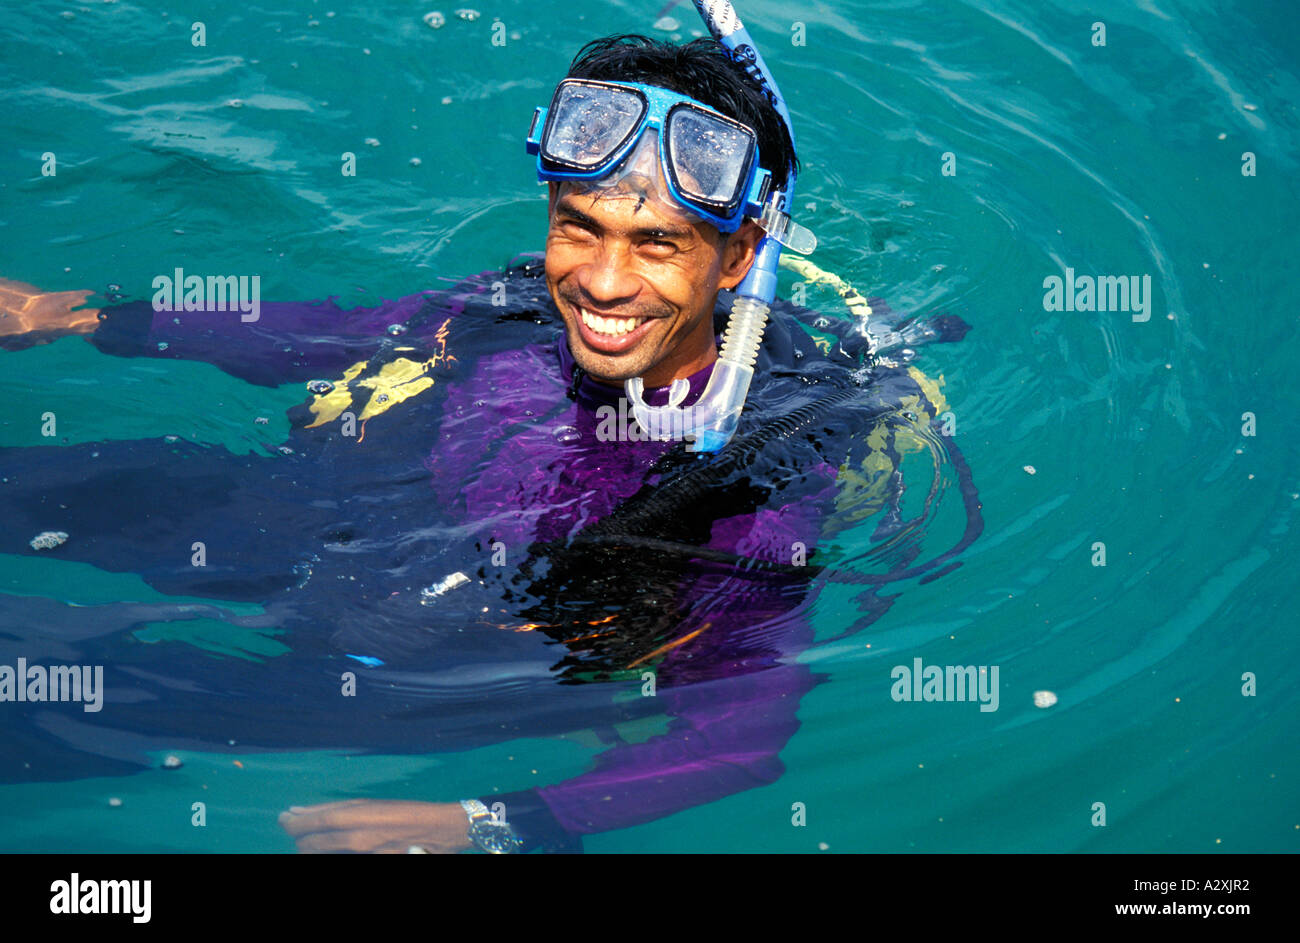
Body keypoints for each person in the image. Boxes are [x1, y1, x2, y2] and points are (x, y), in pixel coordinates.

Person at [0, 36, 969, 853]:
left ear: (739, 256)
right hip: (312, 513)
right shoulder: (507, 307)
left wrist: (488, 822)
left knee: (46, 708)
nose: (601, 279)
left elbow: (735, 736)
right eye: (578, 227)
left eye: (658, 245)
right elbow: (333, 331)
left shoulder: (749, 484)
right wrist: (85, 316)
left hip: (437, 660)